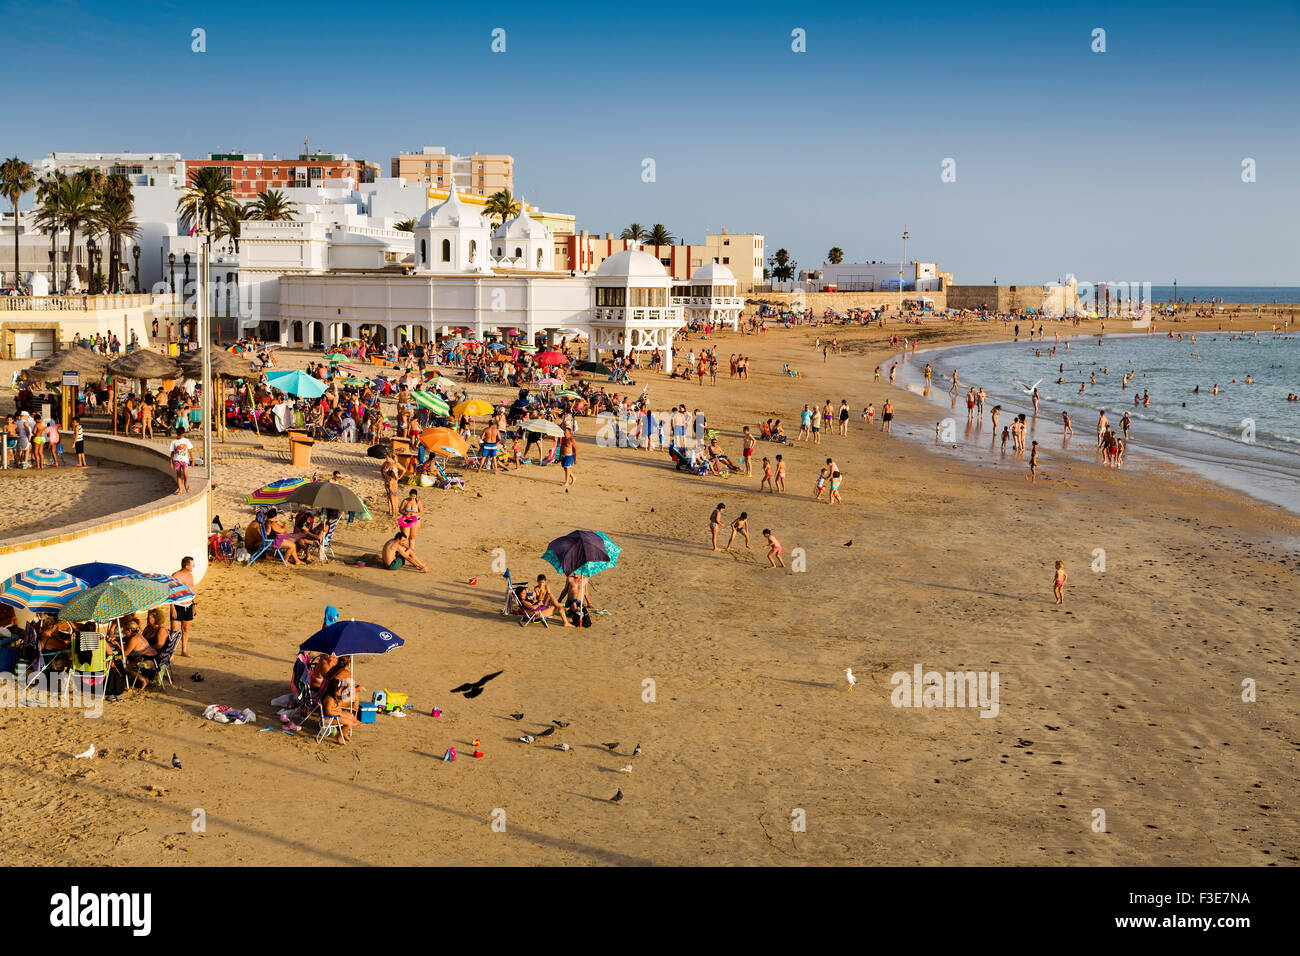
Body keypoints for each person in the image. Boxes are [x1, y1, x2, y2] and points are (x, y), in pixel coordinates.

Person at [172, 556, 197, 657]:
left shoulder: (190, 576)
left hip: (188, 605)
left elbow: (192, 591)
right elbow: (171, 593)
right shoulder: (176, 576)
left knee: (186, 629)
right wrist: (172, 608)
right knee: (174, 630)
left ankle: (184, 650)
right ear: (187, 566)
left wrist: (195, 604)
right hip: (178, 605)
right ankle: (171, 652)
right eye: (193, 565)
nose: (194, 567)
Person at [168, 425, 193, 494]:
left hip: (185, 461)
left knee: (185, 474)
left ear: (183, 434)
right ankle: (180, 490)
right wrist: (170, 462)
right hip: (177, 460)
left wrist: (193, 460)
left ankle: (186, 484)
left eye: (182, 435)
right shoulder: (174, 442)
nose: (181, 436)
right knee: (178, 475)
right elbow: (172, 453)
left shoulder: (186, 441)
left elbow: (190, 451)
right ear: (177, 434)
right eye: (179, 435)